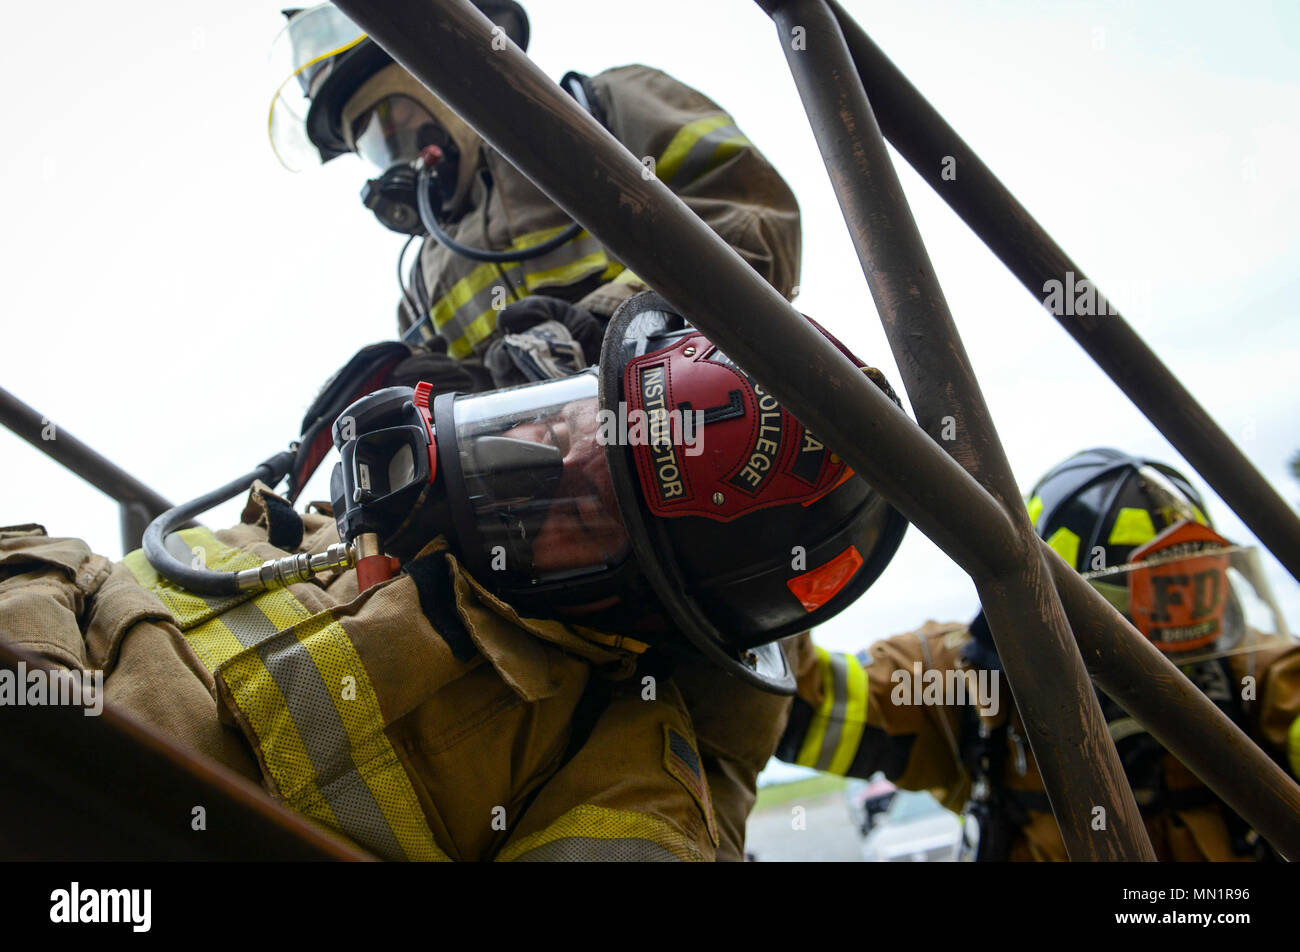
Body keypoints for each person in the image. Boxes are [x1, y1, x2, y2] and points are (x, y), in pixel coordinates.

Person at [0, 294, 907, 862]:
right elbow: (72, 571)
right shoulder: (322, 529)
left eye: (586, 506)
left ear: (642, 613)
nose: (534, 455)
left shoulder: (616, 773)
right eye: (568, 417)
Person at [775, 448, 1300, 861]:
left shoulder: (1259, 678)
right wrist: (779, 528)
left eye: (1195, 595)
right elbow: (798, 703)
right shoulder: (968, 683)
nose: (1178, 652)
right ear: (1068, 606)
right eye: (1161, 606)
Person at [269, 0, 801, 407]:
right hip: (563, 514)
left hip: (707, 427)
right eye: (376, 147)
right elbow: (488, 424)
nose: (401, 163)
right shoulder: (425, 277)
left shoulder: (599, 115)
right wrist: (444, 396)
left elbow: (755, 227)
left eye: (400, 123)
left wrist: (605, 325)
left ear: (446, 81)